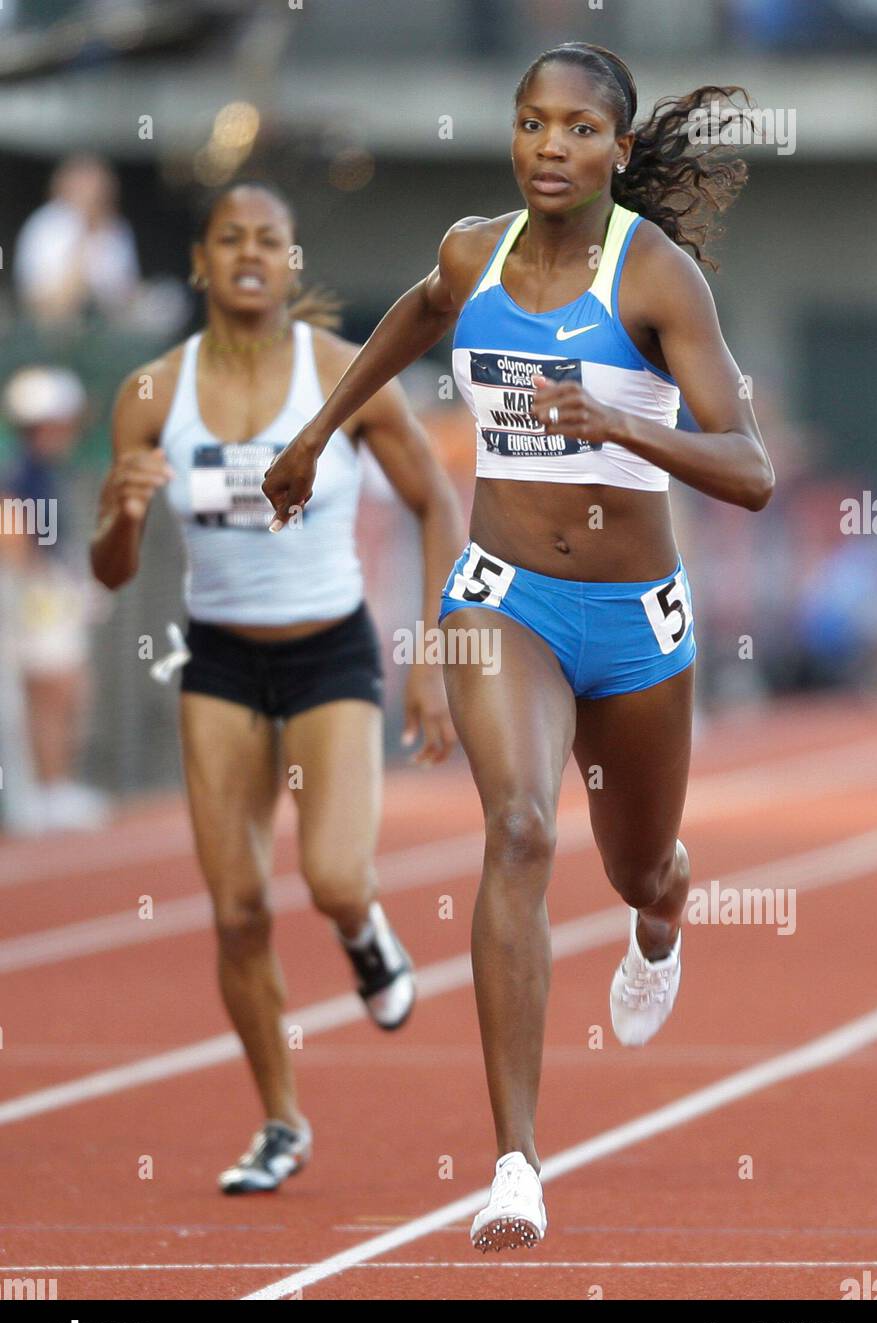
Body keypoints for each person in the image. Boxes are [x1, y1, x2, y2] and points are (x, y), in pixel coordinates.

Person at [263, 43, 775, 1249]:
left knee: (635, 865)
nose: (551, 148)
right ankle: (514, 1163)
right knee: (519, 826)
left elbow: (749, 469)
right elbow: (416, 315)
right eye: (532, 124)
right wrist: (317, 432)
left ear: (618, 146)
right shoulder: (467, 251)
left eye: (579, 130)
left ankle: (662, 916)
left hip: (635, 615)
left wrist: (613, 421)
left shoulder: (656, 282)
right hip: (504, 597)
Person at [90, 182, 464, 1193]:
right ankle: (280, 1120)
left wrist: (431, 664)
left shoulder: (342, 374)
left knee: (335, 874)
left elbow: (439, 503)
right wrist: (120, 520)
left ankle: (363, 932)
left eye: (270, 239)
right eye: (230, 238)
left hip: (329, 653)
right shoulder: (150, 393)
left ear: (289, 263)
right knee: (238, 906)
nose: (250, 253)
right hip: (217, 660)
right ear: (201, 262)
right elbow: (110, 573)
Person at [1, 366, 109, 832]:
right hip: (33, 598)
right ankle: (46, 791)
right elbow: (12, 530)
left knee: (60, 691)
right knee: (52, 691)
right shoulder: (23, 472)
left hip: (42, 591)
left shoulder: (41, 471)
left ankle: (49, 789)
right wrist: (46, 587)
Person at [14, 155, 140, 327]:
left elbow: (125, 291)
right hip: (55, 327)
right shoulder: (46, 224)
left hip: (108, 324)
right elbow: (43, 299)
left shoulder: (117, 227)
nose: (95, 193)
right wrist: (85, 233)